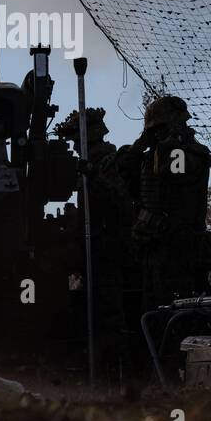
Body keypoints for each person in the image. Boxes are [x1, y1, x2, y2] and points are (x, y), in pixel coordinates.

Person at [56, 106, 136, 377]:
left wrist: (94, 176)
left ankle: (121, 373)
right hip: (92, 247)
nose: (75, 146)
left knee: (111, 315)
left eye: (77, 140)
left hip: (108, 249)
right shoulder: (87, 166)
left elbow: (121, 204)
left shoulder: (107, 163)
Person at [120, 95, 211, 313]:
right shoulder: (149, 156)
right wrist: (141, 144)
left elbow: (172, 171)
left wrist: (171, 140)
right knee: (153, 312)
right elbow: (122, 173)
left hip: (180, 249)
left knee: (182, 313)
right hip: (153, 248)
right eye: (154, 130)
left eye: (161, 128)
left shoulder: (191, 154)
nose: (157, 134)